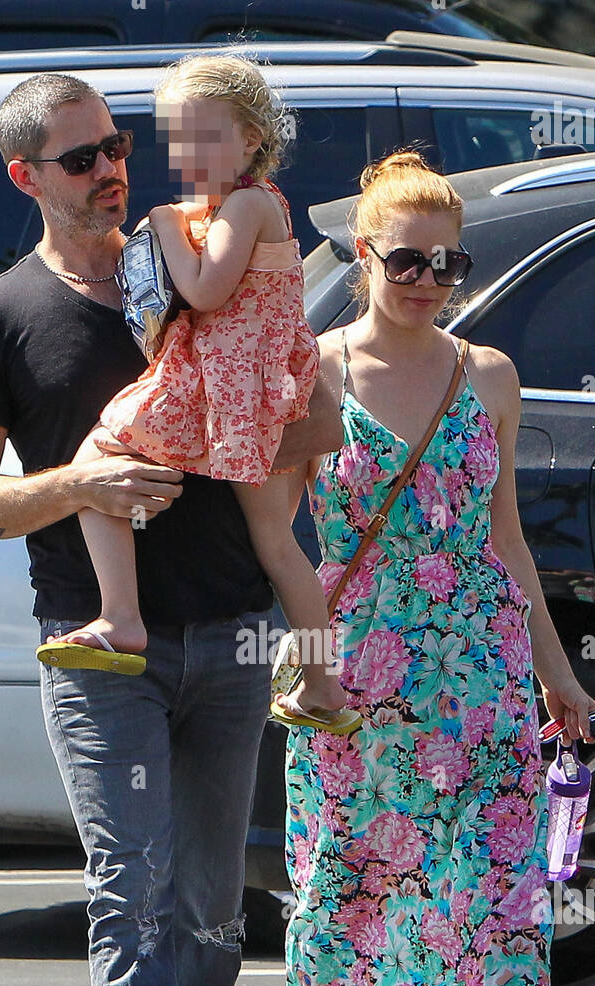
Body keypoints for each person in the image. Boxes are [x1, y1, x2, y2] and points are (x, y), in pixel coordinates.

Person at [0, 71, 344, 986]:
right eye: (80, 158)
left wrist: (300, 394)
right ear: (27, 178)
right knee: (131, 894)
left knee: (213, 908)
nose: (112, 168)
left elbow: (308, 431)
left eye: (116, 146)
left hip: (227, 638)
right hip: (97, 650)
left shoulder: (196, 257)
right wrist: (83, 482)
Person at [283, 150, 595, 986]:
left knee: (503, 905)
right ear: (362, 254)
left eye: (448, 263)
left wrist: (558, 677)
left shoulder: (491, 376)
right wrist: (304, 652)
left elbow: (507, 540)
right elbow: (271, 536)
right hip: (357, 685)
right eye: (407, 259)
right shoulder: (312, 371)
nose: (428, 280)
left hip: (481, 682)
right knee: (348, 892)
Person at [36, 53, 359, 736]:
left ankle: (121, 615)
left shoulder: (245, 204)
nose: (190, 153)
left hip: (230, 391)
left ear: (252, 138)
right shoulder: (246, 203)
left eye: (208, 136)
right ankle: (324, 685)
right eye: (179, 138)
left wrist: (159, 224)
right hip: (262, 393)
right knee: (279, 547)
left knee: (100, 451)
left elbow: (207, 290)